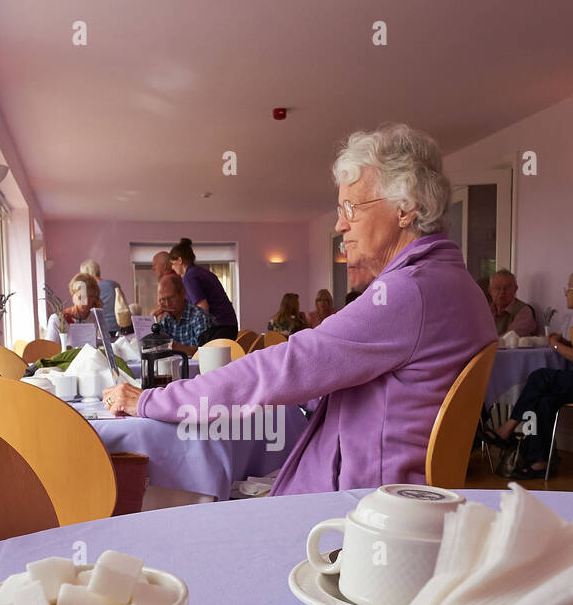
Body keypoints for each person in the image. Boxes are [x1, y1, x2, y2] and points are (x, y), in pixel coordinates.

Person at [101, 123, 496, 495]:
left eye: (350, 208)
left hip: (354, 517)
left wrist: (151, 399)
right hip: (402, 502)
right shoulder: (457, 285)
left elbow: (286, 366)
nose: (341, 226)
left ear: (405, 208)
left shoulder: (409, 292)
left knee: (185, 507)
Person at [482, 267, 573, 478]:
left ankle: (507, 428)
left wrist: (555, 346)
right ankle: (539, 461)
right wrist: (565, 342)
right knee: (544, 400)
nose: (566, 292)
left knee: (539, 377)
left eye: (569, 288)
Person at [169, 238, 238, 329]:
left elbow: (202, 307)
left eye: (173, 264)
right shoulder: (202, 272)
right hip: (230, 324)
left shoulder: (189, 277)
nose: (172, 268)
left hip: (218, 326)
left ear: (180, 260)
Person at [150, 273, 215, 356]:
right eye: (162, 300)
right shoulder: (166, 320)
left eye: (171, 298)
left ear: (183, 293)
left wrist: (170, 346)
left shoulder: (199, 317)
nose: (167, 304)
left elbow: (203, 352)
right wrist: (152, 318)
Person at [43, 272, 101, 340]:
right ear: (73, 295)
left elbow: (101, 345)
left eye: (91, 297)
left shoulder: (95, 317)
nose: (87, 302)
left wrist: (100, 315)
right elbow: (52, 349)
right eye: (82, 296)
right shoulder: (56, 320)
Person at [80, 259, 124, 338]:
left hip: (101, 330)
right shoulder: (115, 284)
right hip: (120, 328)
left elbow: (83, 312)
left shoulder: (86, 289)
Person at [489, 269, 539, 337]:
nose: (502, 292)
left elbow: (509, 339)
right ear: (490, 290)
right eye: (497, 288)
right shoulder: (486, 310)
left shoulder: (524, 311)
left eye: (507, 287)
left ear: (515, 289)